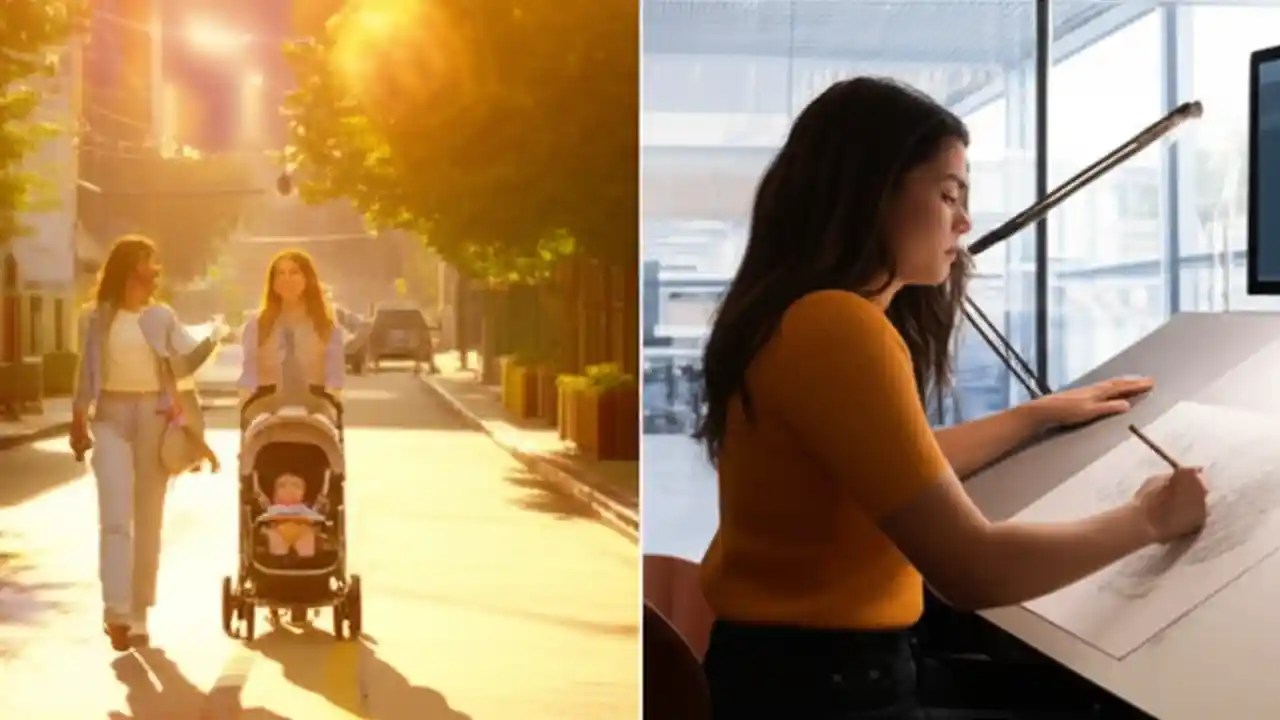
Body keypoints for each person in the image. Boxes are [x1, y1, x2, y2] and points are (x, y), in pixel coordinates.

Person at [693, 77, 1209, 719]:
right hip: (833, 695)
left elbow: (891, 463)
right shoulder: (838, 326)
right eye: (948, 195)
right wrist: (1149, 519)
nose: (964, 223)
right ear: (872, 193)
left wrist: (1034, 417)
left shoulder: (792, 316)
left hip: (785, 678)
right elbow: (971, 570)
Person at [70, 234, 226, 652]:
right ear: (127, 267)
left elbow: (186, 362)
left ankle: (139, 614)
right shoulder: (95, 317)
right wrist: (77, 416)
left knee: (148, 519)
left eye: (156, 263)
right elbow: (86, 370)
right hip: (110, 416)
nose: (155, 270)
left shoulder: (162, 316)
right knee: (116, 516)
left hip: (153, 417)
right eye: (148, 262)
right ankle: (115, 611)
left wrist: (213, 337)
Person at [238, 250, 345, 401]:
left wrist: (333, 398)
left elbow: (335, 373)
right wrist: (245, 398)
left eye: (294, 273)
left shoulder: (326, 323)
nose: (287, 279)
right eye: (281, 274)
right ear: (273, 282)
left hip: (316, 401)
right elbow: (248, 370)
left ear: (307, 279)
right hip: (267, 401)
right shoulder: (257, 323)